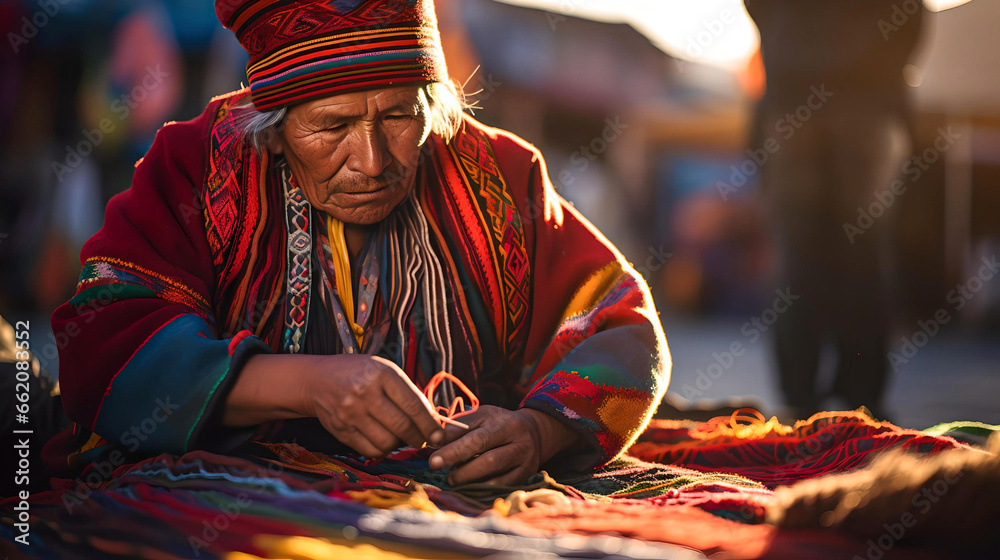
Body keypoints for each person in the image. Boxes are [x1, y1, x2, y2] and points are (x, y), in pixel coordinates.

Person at [43, 0, 670, 487]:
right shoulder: (195, 166)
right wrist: (303, 384)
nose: (371, 162)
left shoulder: (498, 175)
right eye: (332, 125)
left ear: (434, 105)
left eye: (399, 116)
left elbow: (622, 323)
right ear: (274, 127)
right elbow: (101, 344)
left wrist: (539, 433)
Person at [745, 0, 924, 419]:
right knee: (864, 252)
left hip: (793, 98)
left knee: (797, 253)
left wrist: (789, 44)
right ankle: (860, 398)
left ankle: (798, 398)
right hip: (867, 100)